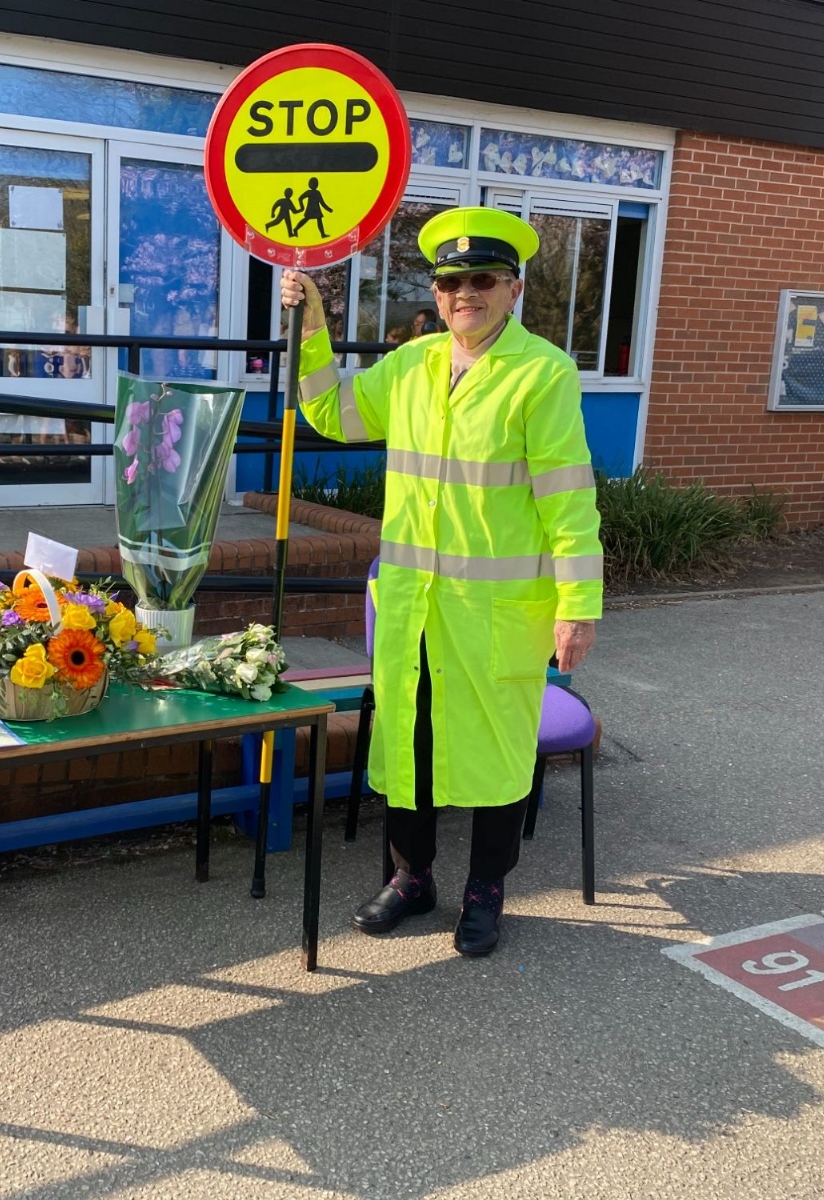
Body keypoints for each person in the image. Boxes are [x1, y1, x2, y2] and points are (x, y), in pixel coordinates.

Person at [280, 207, 602, 957]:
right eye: (453, 281)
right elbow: (331, 410)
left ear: (513, 289)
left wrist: (578, 606)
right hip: (413, 611)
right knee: (407, 747)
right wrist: (317, 321)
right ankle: (411, 877)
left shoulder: (542, 373)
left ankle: (486, 891)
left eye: (482, 279)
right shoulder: (414, 363)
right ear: (438, 289)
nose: (466, 293)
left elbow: (569, 500)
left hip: (496, 614)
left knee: (494, 756)